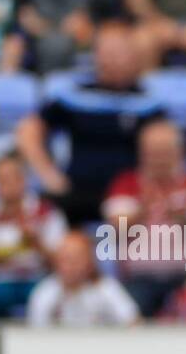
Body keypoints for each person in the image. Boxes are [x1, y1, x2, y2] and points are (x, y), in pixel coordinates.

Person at [16, 21, 166, 225]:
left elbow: (165, 149)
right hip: (77, 194)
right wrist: (48, 173)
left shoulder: (148, 103)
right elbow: (28, 130)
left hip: (128, 200)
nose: (113, 59)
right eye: (107, 52)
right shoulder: (74, 96)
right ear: (96, 55)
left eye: (120, 52)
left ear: (134, 56)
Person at [101, 119, 186, 316]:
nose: (158, 158)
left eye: (164, 151)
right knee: (126, 314)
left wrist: (180, 215)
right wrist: (142, 210)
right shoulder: (126, 183)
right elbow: (114, 228)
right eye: (153, 152)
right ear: (141, 153)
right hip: (138, 279)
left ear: (179, 152)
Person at [0, 152, 68, 318]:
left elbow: (63, 263)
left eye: (13, 177)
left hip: (39, 279)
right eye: (1, 179)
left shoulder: (47, 213)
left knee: (49, 296)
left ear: (24, 179)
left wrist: (37, 243)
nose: (8, 184)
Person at [26, 230, 139, 326]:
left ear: (90, 262)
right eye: (66, 259)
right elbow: (35, 333)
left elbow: (133, 322)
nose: (71, 266)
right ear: (56, 261)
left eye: (77, 259)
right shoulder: (44, 292)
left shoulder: (107, 288)